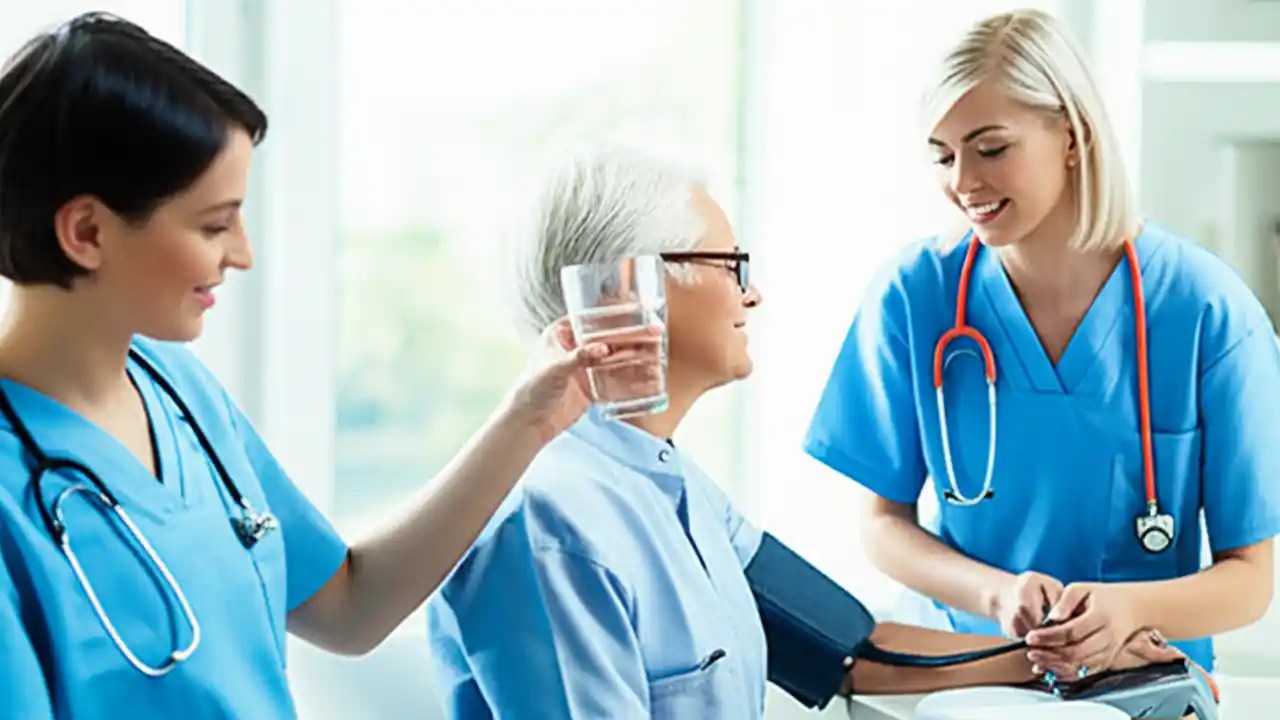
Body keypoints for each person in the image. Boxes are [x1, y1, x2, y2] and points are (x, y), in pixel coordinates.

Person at [0, 13, 649, 719]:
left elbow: (349, 604)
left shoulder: (176, 391)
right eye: (214, 224)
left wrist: (530, 417)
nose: (242, 253)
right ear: (88, 231)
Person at [425, 147, 1184, 719]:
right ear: (630, 289)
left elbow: (852, 649)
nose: (751, 292)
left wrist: (1064, 658)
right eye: (730, 264)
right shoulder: (551, 525)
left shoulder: (670, 487)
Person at [804, 8, 1280, 682]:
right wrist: (994, 593)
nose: (963, 182)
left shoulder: (1205, 310)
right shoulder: (916, 295)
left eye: (991, 148)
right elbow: (883, 524)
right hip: (966, 674)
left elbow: (1249, 580)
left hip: (1139, 680)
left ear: (1073, 136)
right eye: (943, 155)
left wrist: (1126, 608)